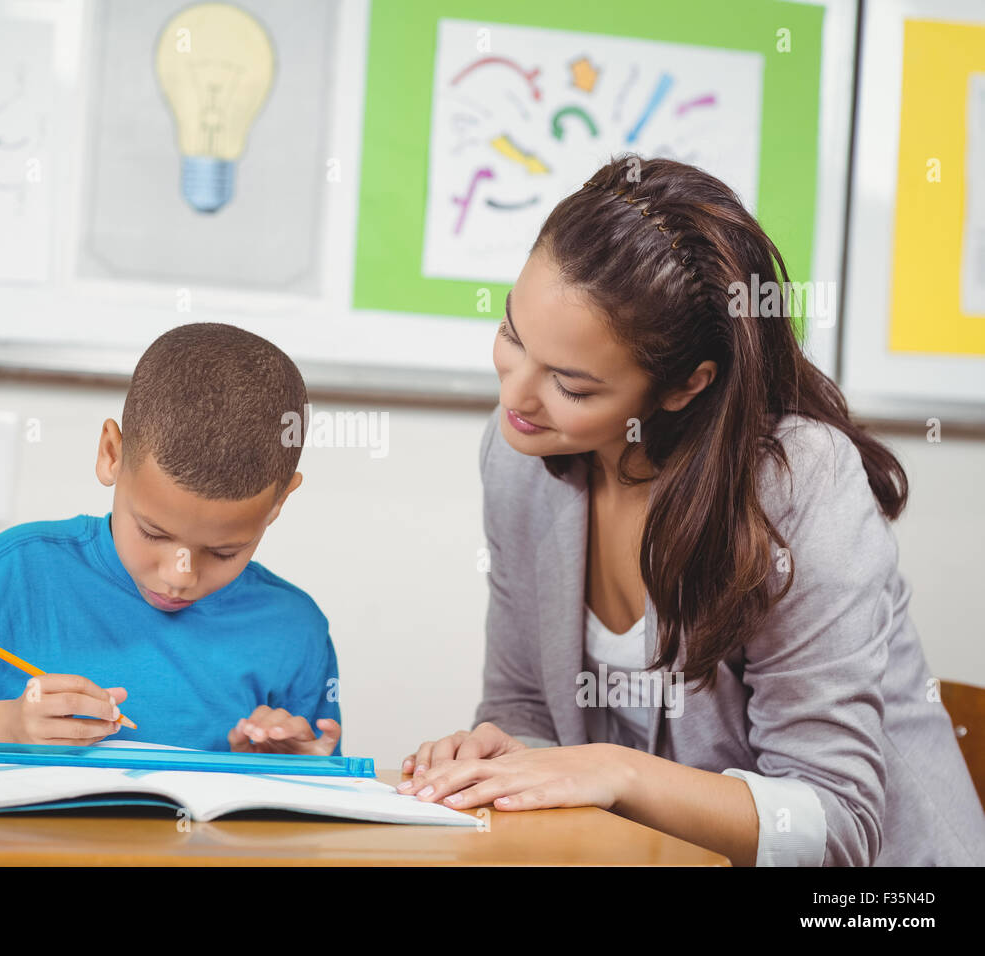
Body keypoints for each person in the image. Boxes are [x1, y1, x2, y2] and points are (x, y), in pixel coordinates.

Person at [399, 154, 985, 866]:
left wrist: (614, 772)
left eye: (572, 386)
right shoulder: (521, 460)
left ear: (684, 386)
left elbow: (837, 824)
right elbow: (525, 705)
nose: (515, 397)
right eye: (512, 336)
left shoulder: (799, 484)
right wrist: (503, 753)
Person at [0, 322, 342, 756]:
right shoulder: (4, 579)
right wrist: (7, 726)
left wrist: (288, 764)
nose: (178, 577)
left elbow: (322, 783)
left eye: (224, 551)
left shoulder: (294, 629)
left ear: (280, 501)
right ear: (111, 454)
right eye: (152, 532)